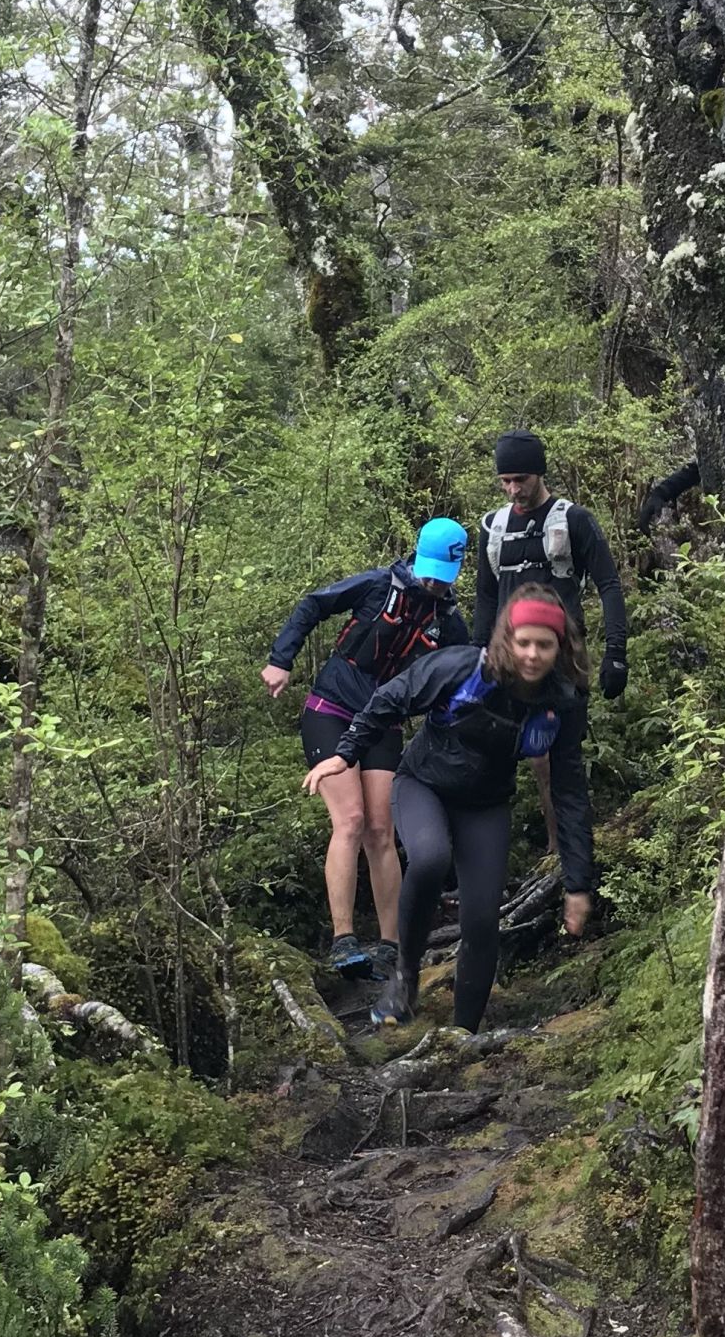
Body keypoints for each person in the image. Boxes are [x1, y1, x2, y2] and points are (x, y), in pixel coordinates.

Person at [303, 593, 592, 1034]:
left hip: (486, 805)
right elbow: (390, 699)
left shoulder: (562, 701)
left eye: (544, 645)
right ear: (506, 641)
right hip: (423, 785)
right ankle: (404, 976)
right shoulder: (461, 668)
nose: (532, 655)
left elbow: (570, 791)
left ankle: (463, 1035)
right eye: (524, 643)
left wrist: (577, 883)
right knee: (431, 856)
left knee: (481, 920)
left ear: (560, 648)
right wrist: (345, 754)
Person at [263, 519, 470, 973]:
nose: (433, 582)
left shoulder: (448, 622)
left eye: (442, 574)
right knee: (351, 820)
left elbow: (464, 675)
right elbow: (313, 605)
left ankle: (391, 944)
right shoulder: (379, 585)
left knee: (381, 828)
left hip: (383, 720)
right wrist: (281, 659)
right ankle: (343, 939)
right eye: (428, 571)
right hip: (332, 708)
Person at [476, 430, 627, 909]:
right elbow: (485, 595)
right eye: (504, 481)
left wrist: (616, 652)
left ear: (539, 471)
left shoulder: (572, 521)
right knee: (490, 760)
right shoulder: (494, 529)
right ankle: (486, 866)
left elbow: (607, 583)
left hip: (561, 664)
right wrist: (475, 656)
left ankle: (562, 854)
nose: (512, 490)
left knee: (554, 763)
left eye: (520, 478)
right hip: (505, 664)